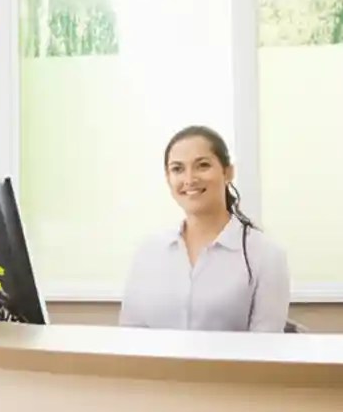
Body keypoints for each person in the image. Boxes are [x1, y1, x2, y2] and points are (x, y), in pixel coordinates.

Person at [119, 125, 291, 332]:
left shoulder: (266, 255)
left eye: (202, 165)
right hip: (156, 366)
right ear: (168, 179)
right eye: (177, 169)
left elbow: (267, 350)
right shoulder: (148, 252)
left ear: (228, 172)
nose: (189, 179)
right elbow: (130, 337)